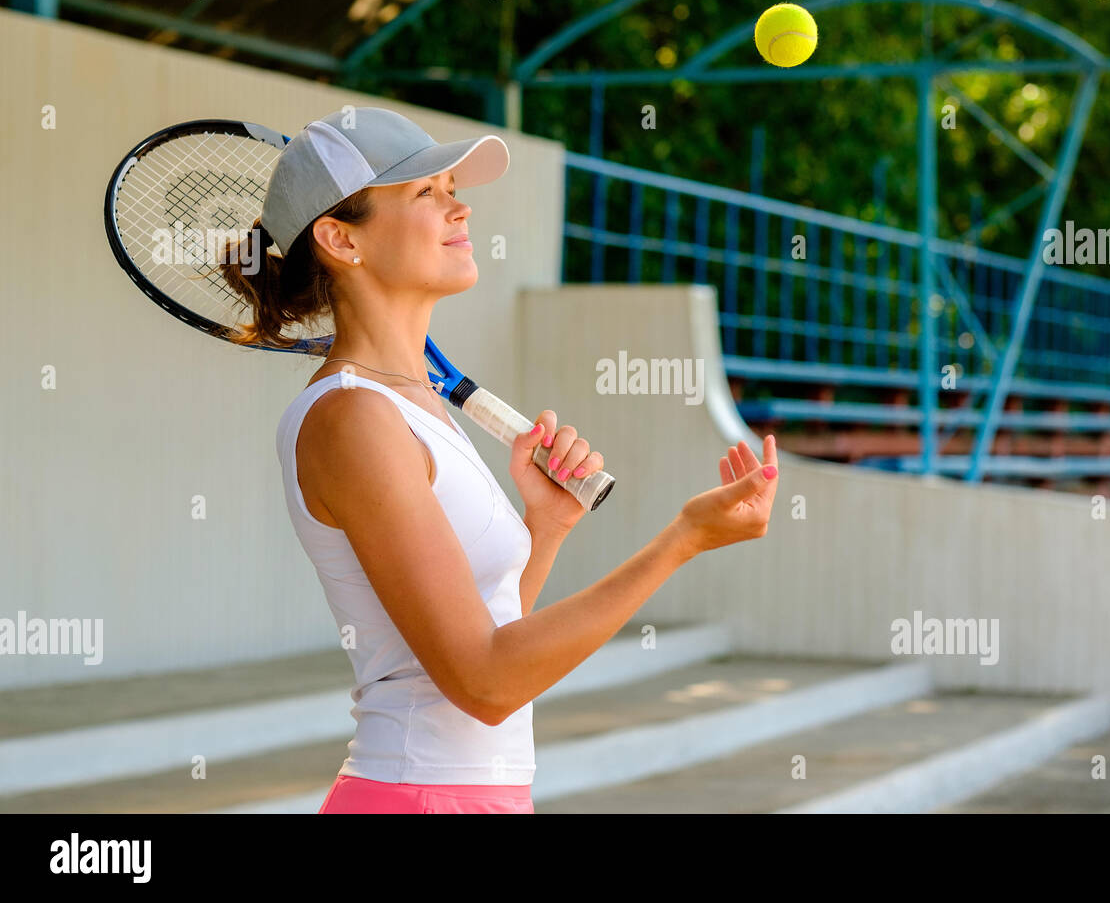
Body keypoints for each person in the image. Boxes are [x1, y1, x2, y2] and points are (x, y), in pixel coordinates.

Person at [218, 107, 779, 814]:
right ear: (339, 238)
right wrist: (681, 543)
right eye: (427, 193)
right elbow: (484, 684)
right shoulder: (352, 419)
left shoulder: (412, 404)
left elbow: (490, 639)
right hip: (418, 796)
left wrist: (544, 530)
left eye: (451, 185)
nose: (460, 206)